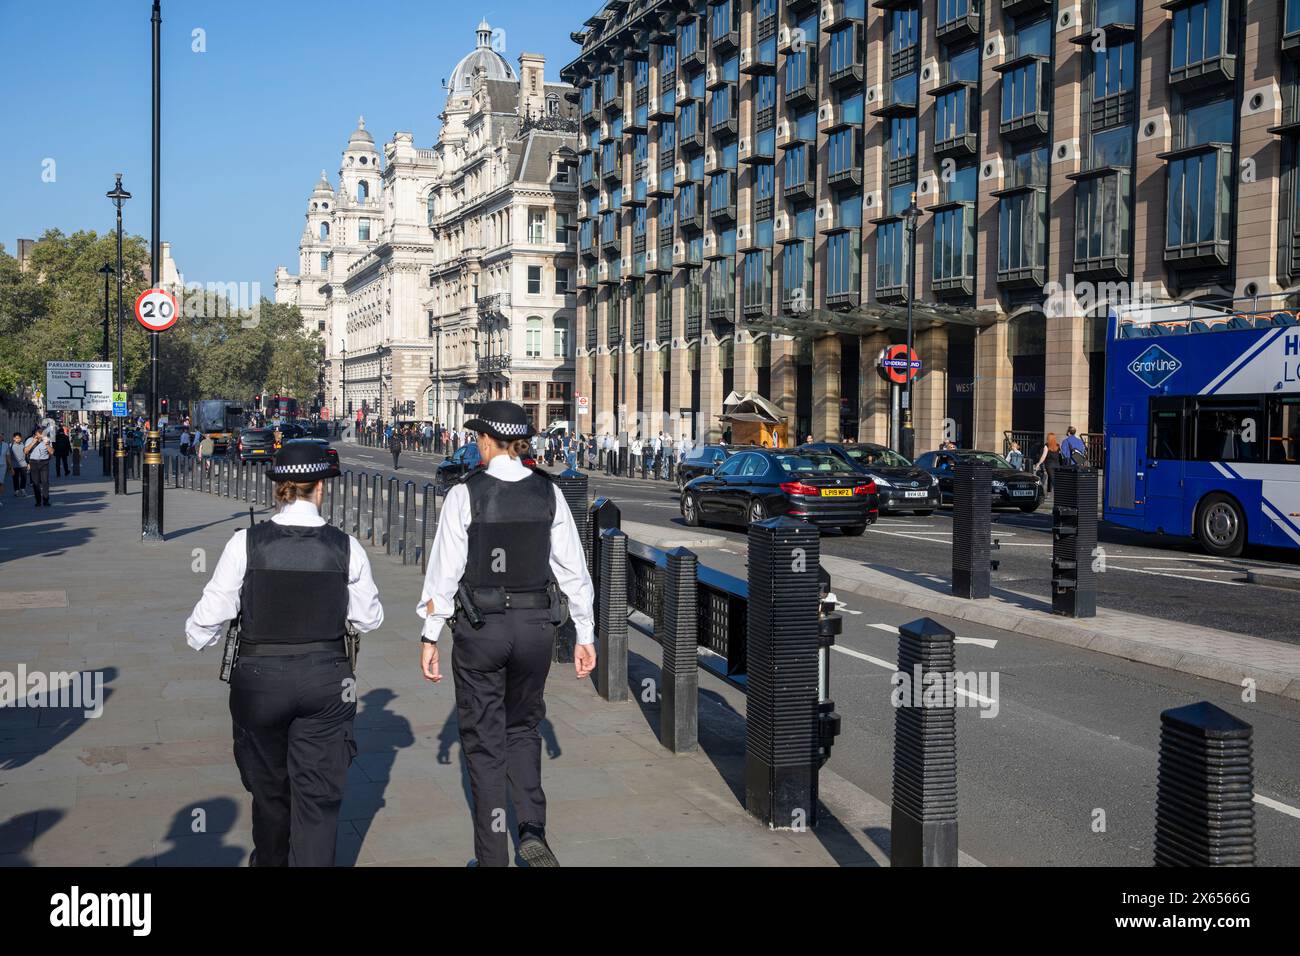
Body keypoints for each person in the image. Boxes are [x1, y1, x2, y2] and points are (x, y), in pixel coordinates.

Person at [185, 442, 384, 866]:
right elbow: (369, 618)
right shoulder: (346, 547)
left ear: (279, 487)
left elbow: (210, 615)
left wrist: (199, 636)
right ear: (320, 489)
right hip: (328, 678)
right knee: (318, 799)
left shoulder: (246, 543)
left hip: (259, 679)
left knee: (269, 792)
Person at [417, 401, 596, 868]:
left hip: (482, 630)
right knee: (523, 728)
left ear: (486, 441)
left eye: (478, 437)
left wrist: (429, 634)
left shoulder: (466, 494)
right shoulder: (548, 493)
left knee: (482, 741)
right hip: (537, 629)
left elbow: (444, 573)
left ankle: (492, 855)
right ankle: (532, 830)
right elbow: (574, 570)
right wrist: (585, 633)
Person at [24, 424, 53, 507]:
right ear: (36, 433)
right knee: (35, 483)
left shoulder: (47, 440)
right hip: (33, 462)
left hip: (44, 462)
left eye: (42, 433)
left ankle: (46, 500)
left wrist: (47, 444)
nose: (41, 435)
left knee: (45, 482)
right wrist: (33, 442)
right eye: (39, 433)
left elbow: (52, 452)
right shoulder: (29, 440)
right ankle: (38, 501)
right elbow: (25, 451)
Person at [8, 432, 29, 498]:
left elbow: (26, 455)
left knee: (24, 478)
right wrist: (10, 466)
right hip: (14, 465)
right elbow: (9, 457)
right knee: (15, 478)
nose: (18, 439)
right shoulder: (10, 446)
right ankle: (16, 490)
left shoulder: (23, 445)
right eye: (16, 438)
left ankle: (23, 489)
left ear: (21, 438)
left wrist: (28, 463)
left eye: (19, 438)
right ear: (13, 438)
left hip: (23, 464)